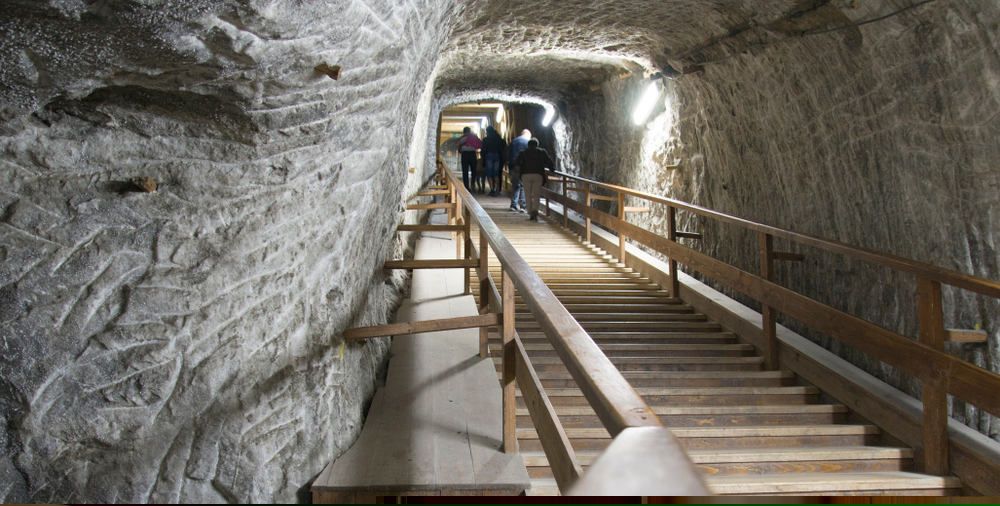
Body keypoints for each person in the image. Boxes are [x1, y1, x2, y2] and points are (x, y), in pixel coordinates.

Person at [511, 138, 555, 222]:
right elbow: (549, 161)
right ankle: (535, 211)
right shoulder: (542, 152)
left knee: (528, 194)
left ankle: (530, 212)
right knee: (536, 194)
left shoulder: (523, 153)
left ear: (528, 145)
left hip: (525, 174)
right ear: (537, 145)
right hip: (538, 174)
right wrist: (552, 169)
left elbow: (516, 162)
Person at [480, 126, 507, 197]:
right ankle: (498, 187)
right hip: (497, 156)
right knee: (496, 173)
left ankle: (492, 190)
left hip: (489, 156)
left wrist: (482, 158)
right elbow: (503, 147)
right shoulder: (499, 139)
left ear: (487, 132)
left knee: (489, 173)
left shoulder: (486, 139)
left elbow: (483, 150)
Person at [507, 129, 530, 212]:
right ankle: (523, 206)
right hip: (524, 168)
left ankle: (513, 205)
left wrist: (510, 167)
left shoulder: (513, 142)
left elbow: (510, 155)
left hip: (515, 167)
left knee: (515, 186)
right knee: (524, 186)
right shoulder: (527, 142)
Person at [457, 127, 481, 192]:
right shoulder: (474, 138)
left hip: (464, 155)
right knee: (474, 170)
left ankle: (466, 187)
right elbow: (478, 146)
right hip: (472, 154)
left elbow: (459, 150)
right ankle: (473, 184)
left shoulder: (461, 139)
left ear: (463, 132)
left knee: (465, 171)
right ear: (470, 131)